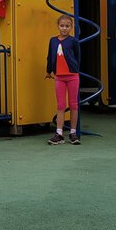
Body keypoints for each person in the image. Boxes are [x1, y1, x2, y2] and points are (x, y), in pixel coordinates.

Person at [45, 14, 81, 145]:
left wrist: (75, 70)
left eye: (67, 26)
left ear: (71, 27)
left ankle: (73, 133)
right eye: (62, 26)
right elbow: (50, 56)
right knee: (60, 105)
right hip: (59, 77)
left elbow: (77, 56)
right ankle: (59, 134)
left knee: (73, 104)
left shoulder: (73, 41)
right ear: (58, 26)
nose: (64, 28)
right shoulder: (53, 41)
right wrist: (49, 70)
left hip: (72, 76)